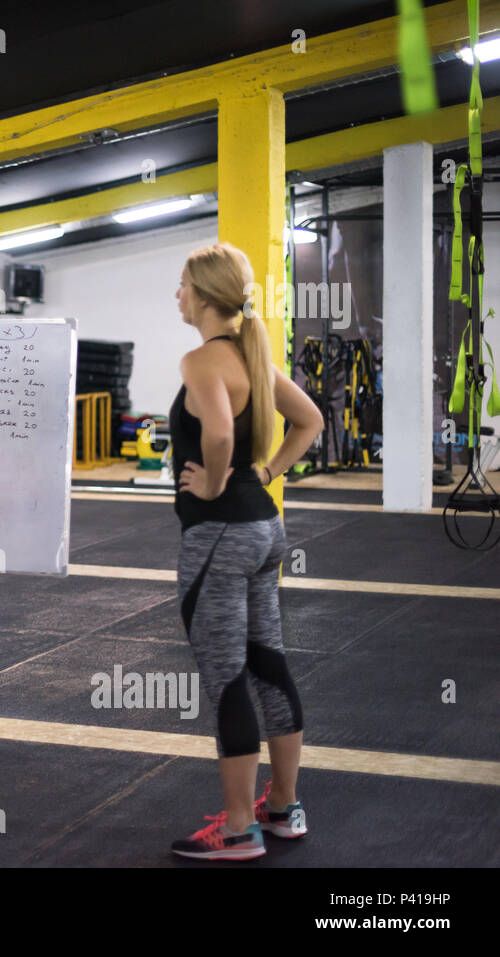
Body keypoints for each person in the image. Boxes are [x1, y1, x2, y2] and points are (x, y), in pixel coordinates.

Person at [167, 242, 323, 861]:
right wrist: (268, 473)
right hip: (263, 529)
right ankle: (283, 807)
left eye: (182, 285)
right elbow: (310, 419)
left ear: (204, 296)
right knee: (269, 665)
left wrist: (210, 482)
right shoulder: (253, 358)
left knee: (228, 677)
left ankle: (237, 829)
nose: (176, 294)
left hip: (219, 536)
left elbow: (221, 431)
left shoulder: (203, 361)